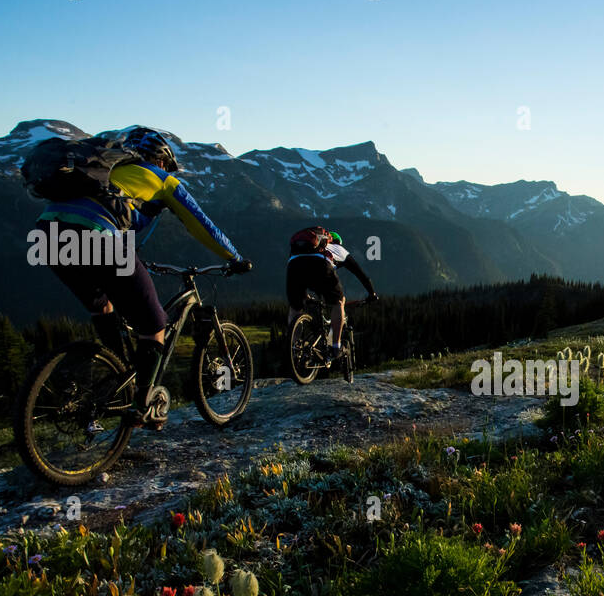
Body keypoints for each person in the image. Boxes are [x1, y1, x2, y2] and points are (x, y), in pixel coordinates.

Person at [33, 126, 251, 422]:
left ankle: (117, 373)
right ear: (162, 161)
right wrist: (235, 258)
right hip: (99, 236)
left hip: (47, 235)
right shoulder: (164, 180)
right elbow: (203, 226)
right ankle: (142, 403)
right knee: (154, 325)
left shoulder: (102, 172)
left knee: (103, 306)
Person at [285, 227, 378, 362]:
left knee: (295, 307)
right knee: (339, 302)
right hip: (320, 265)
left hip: (294, 265)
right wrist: (372, 293)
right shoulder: (340, 250)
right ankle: (336, 347)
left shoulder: (302, 247)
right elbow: (361, 275)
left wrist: (303, 294)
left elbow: (302, 265)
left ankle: (294, 347)